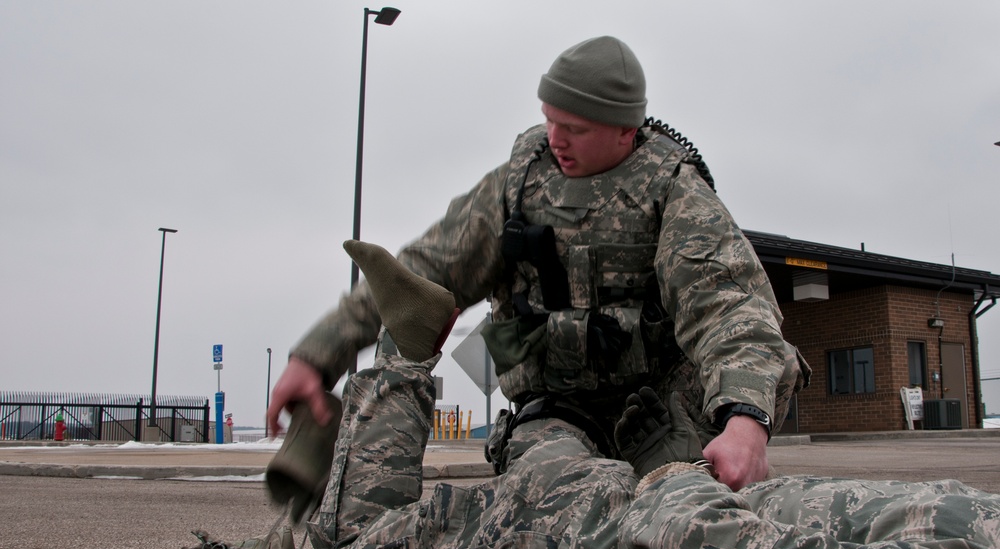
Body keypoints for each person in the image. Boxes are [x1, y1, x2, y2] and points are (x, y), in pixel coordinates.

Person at [181, 241, 1000, 549]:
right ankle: (400, 361)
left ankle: (327, 473)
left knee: (386, 538)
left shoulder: (978, 526)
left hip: (592, 521)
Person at [265, 35, 809, 503]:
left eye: (575, 127)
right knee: (557, 505)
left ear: (626, 130)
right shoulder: (519, 187)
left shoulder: (672, 192)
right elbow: (422, 272)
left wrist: (745, 422)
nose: (556, 139)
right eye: (550, 120)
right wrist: (316, 355)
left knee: (685, 506)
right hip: (556, 412)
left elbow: (731, 308)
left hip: (658, 412)